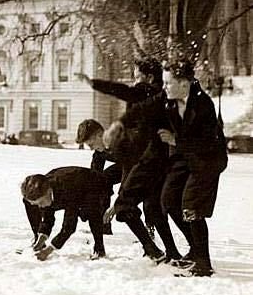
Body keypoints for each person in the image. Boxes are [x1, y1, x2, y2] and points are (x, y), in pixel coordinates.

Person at [105, 60, 228, 277]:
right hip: (183, 156)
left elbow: (207, 143)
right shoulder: (167, 98)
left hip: (207, 160)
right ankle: (195, 251)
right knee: (168, 201)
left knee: (191, 207)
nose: (165, 87)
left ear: (184, 83)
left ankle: (203, 263)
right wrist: (119, 124)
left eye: (169, 83)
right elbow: (144, 108)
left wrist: (176, 139)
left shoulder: (203, 105)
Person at [77, 117, 181, 261]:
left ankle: (169, 251)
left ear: (100, 134)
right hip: (130, 166)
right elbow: (94, 179)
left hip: (153, 166)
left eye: (91, 144)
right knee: (103, 180)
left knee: (150, 207)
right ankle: (149, 248)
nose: (91, 148)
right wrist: (89, 206)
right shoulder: (100, 152)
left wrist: (118, 202)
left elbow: (130, 174)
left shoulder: (121, 142)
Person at [20, 166, 111, 261]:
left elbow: (69, 227)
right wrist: (41, 238)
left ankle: (99, 249)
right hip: (68, 186)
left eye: (41, 203)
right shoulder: (42, 189)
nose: (40, 207)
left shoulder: (69, 192)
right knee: (31, 203)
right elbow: (48, 217)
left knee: (92, 213)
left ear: (49, 192)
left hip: (95, 184)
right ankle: (38, 241)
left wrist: (48, 251)